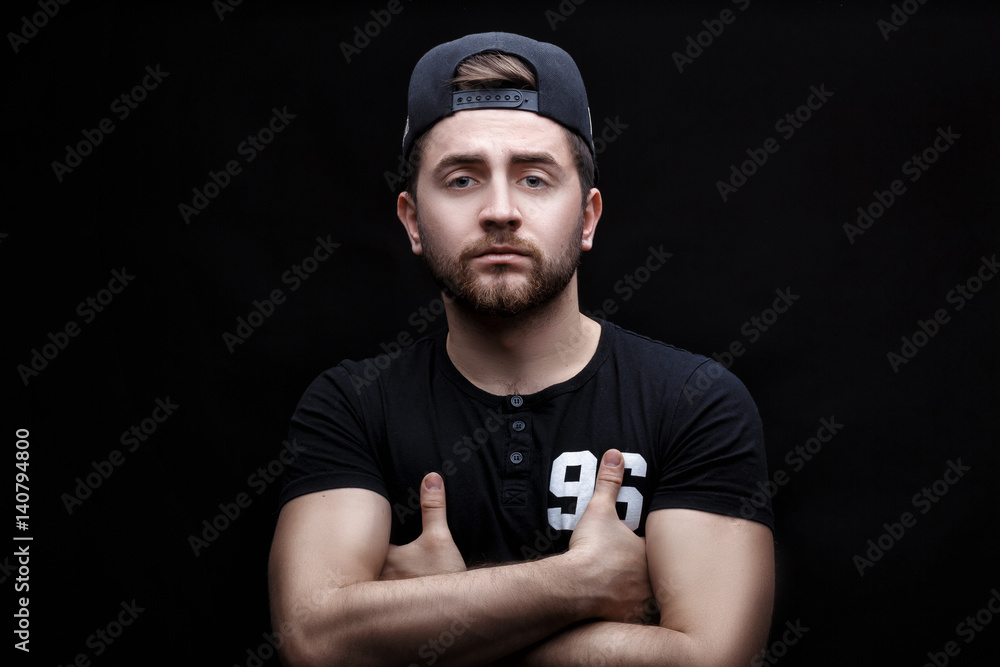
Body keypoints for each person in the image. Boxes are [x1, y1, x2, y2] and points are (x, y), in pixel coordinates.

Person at [268, 31, 775, 666]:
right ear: (412, 220)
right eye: (462, 180)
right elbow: (315, 641)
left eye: (534, 178)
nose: (500, 211)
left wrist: (430, 627)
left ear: (587, 217)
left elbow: (712, 660)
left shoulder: (695, 402)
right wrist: (581, 583)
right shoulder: (352, 406)